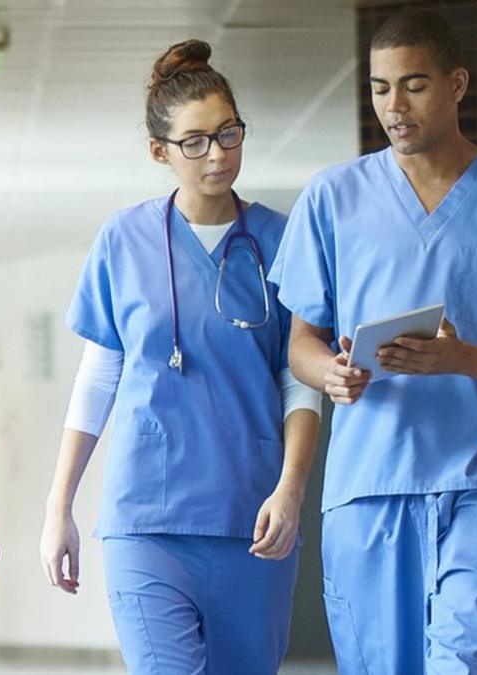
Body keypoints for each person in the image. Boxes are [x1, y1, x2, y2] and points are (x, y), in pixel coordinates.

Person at [268, 9, 477, 674]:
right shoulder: (332, 198)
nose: (393, 106)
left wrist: (462, 358)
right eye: (378, 88)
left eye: (414, 85)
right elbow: (300, 343)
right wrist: (331, 374)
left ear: (457, 84)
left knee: (468, 660)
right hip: (369, 488)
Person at [38, 39, 321, 674]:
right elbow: (99, 375)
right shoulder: (123, 239)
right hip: (147, 521)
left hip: (253, 520)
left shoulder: (281, 240)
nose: (217, 155)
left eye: (228, 133)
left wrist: (291, 489)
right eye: (194, 141)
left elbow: (298, 380)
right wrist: (60, 508)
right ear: (159, 151)